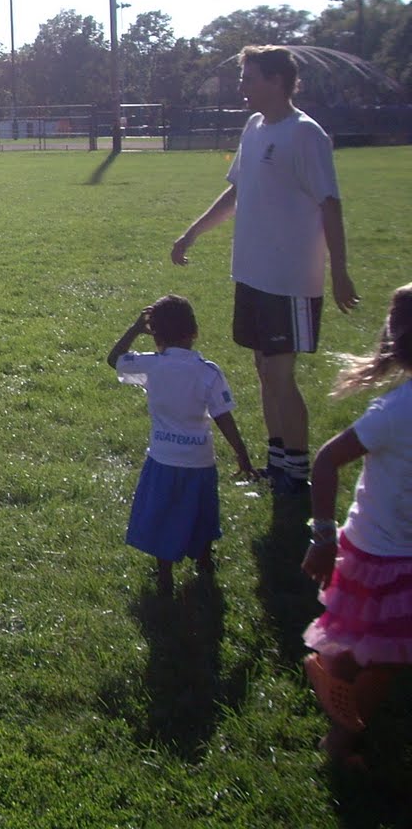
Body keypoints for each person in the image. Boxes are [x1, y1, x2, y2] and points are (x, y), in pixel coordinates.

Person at [171, 44, 359, 497]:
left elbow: (330, 205)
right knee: (263, 368)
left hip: (289, 280)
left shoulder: (305, 134)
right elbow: (236, 192)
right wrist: (192, 233)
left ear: (277, 81)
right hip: (252, 274)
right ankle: (278, 462)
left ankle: (297, 471)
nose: (242, 86)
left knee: (280, 373)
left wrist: (339, 272)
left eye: (249, 78)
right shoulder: (254, 128)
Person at [301, 283, 412, 768]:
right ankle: (341, 741)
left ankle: (331, 675)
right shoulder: (395, 412)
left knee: (367, 645)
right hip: (379, 555)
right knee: (388, 658)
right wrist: (324, 538)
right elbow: (326, 460)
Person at [107, 295, 256, 597]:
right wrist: (243, 455)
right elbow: (223, 417)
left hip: (162, 459)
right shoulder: (208, 372)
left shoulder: (152, 366)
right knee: (201, 512)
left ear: (155, 335)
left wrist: (134, 329)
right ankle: (204, 562)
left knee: (163, 513)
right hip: (200, 461)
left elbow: (115, 360)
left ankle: (164, 574)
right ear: (194, 332)